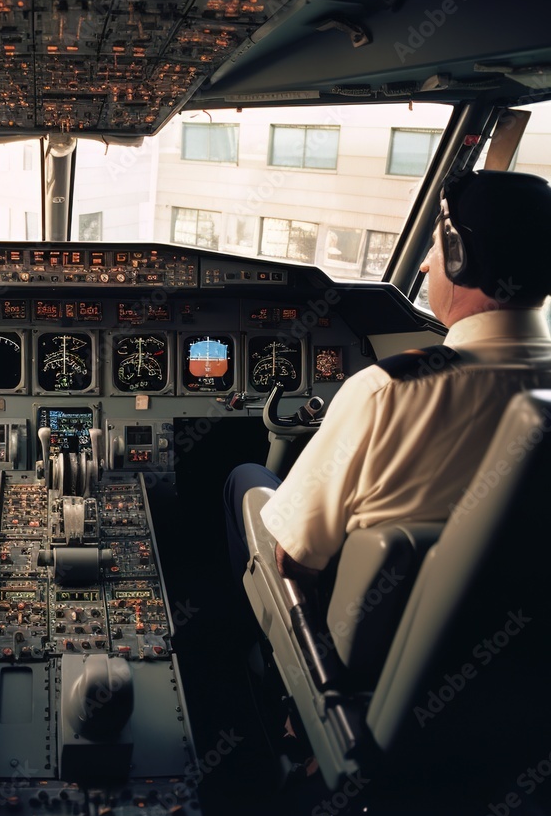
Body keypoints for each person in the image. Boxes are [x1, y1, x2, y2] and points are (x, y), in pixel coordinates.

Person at [225, 169, 551, 582]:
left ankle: (247, 633)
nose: (426, 267)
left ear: (458, 256)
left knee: (244, 477)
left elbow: (293, 559)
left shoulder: (389, 390)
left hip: (350, 635)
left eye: (434, 248)